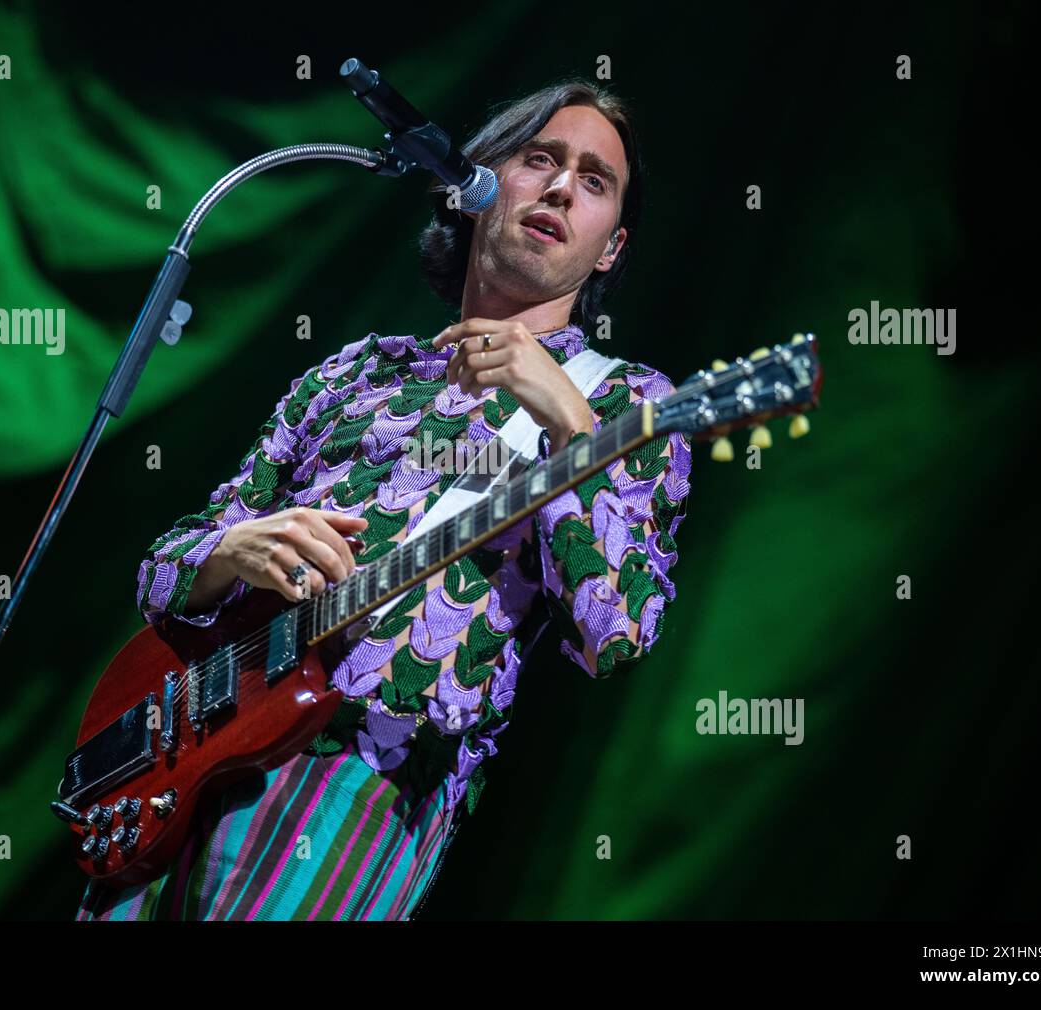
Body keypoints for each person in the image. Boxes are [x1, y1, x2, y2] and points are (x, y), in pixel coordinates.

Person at [75, 78, 692, 921]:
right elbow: (161, 572)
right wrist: (231, 552)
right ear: (473, 184)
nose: (558, 187)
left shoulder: (626, 405)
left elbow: (618, 629)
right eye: (539, 159)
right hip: (189, 743)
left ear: (611, 247)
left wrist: (567, 420)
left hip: (361, 783)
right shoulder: (355, 371)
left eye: (593, 181)